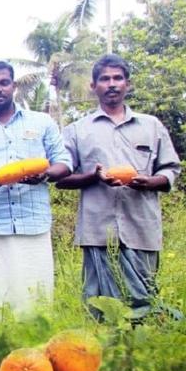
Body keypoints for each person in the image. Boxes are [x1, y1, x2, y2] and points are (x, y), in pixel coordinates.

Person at [57, 54, 180, 318]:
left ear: (128, 84)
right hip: (97, 230)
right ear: (93, 86)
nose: (111, 84)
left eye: (117, 78)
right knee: (99, 306)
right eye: (104, 79)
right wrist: (93, 176)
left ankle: (139, 350)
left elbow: (170, 170)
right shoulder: (77, 130)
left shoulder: (151, 126)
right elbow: (61, 178)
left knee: (144, 302)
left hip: (141, 227)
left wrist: (149, 182)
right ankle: (106, 354)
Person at [0, 60, 72, 319]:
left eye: (4, 83)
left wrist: (45, 174)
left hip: (33, 223)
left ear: (13, 86)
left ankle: (31, 355)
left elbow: (64, 163)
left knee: (35, 301)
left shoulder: (42, 123)